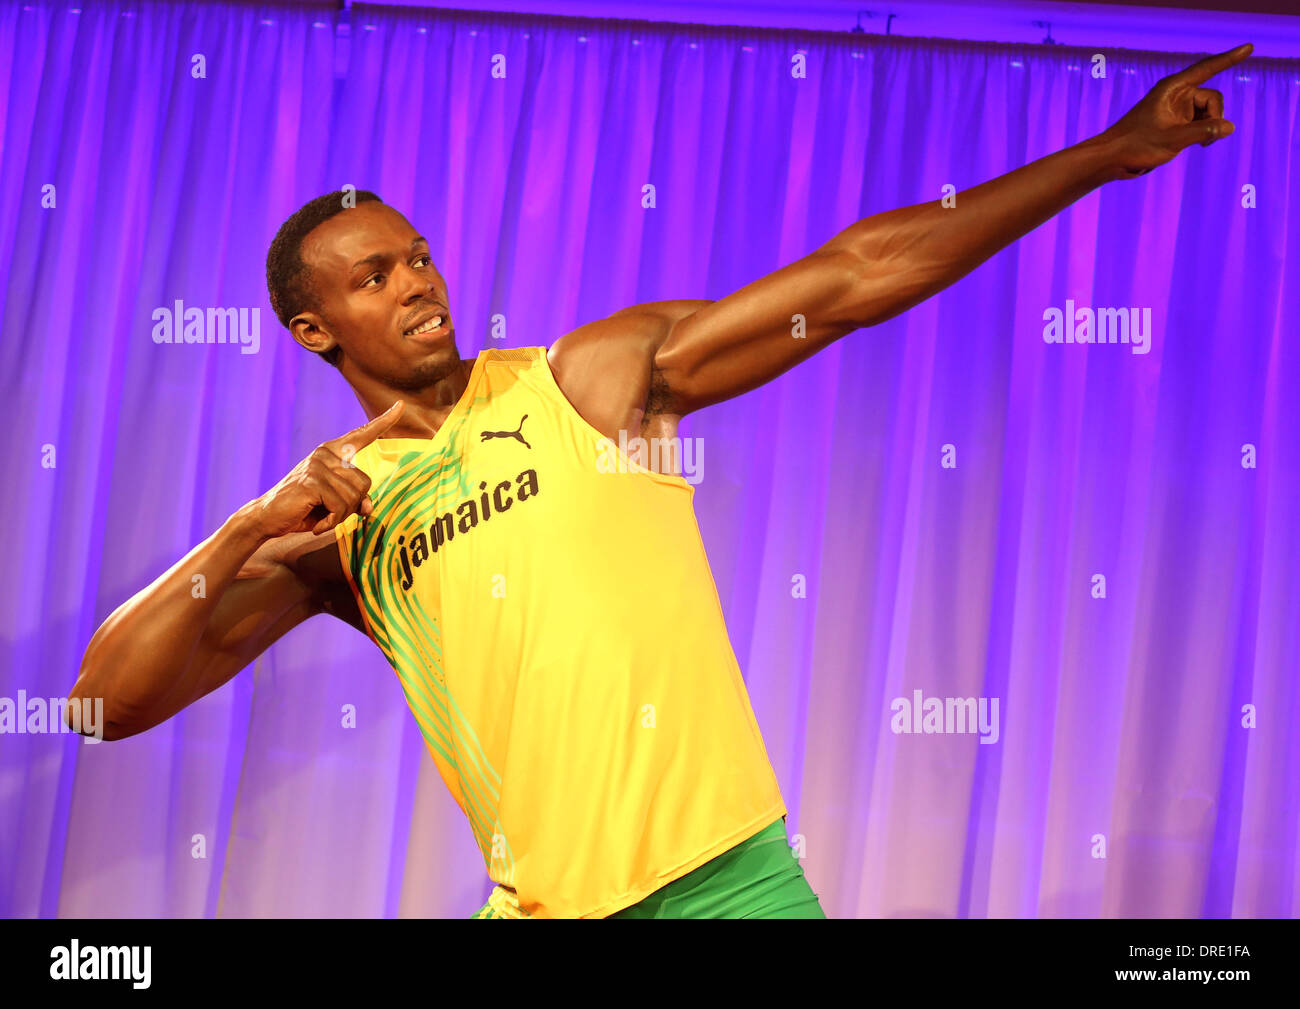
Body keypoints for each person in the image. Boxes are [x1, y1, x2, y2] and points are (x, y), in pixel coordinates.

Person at [67, 44, 1251, 918]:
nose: (419, 281)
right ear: (314, 330)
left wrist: (1109, 155)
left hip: (728, 885)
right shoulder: (336, 522)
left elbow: (848, 277)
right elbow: (100, 708)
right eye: (376, 276)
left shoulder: (586, 380)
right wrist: (238, 534)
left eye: (420, 254)